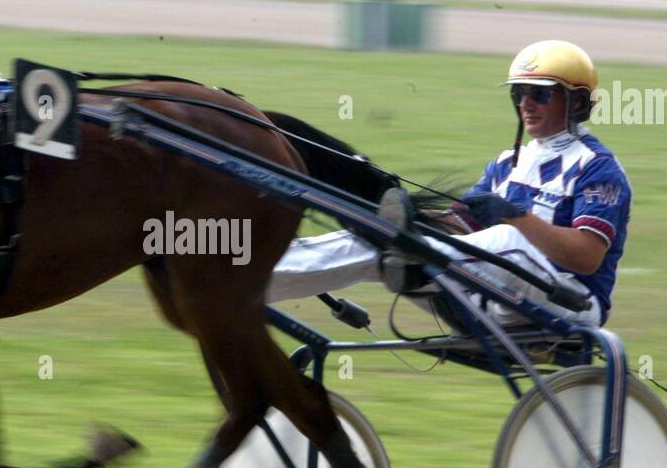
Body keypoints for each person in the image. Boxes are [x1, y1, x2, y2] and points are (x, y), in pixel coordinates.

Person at [267, 40, 632, 328]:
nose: (526, 105)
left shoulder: (598, 168)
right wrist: (413, 222)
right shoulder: (508, 162)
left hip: (571, 301)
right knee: (380, 239)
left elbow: (586, 257)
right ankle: (255, 276)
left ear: (578, 102)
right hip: (500, 294)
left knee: (504, 240)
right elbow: (462, 227)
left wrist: (514, 217)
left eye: (540, 94)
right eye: (519, 94)